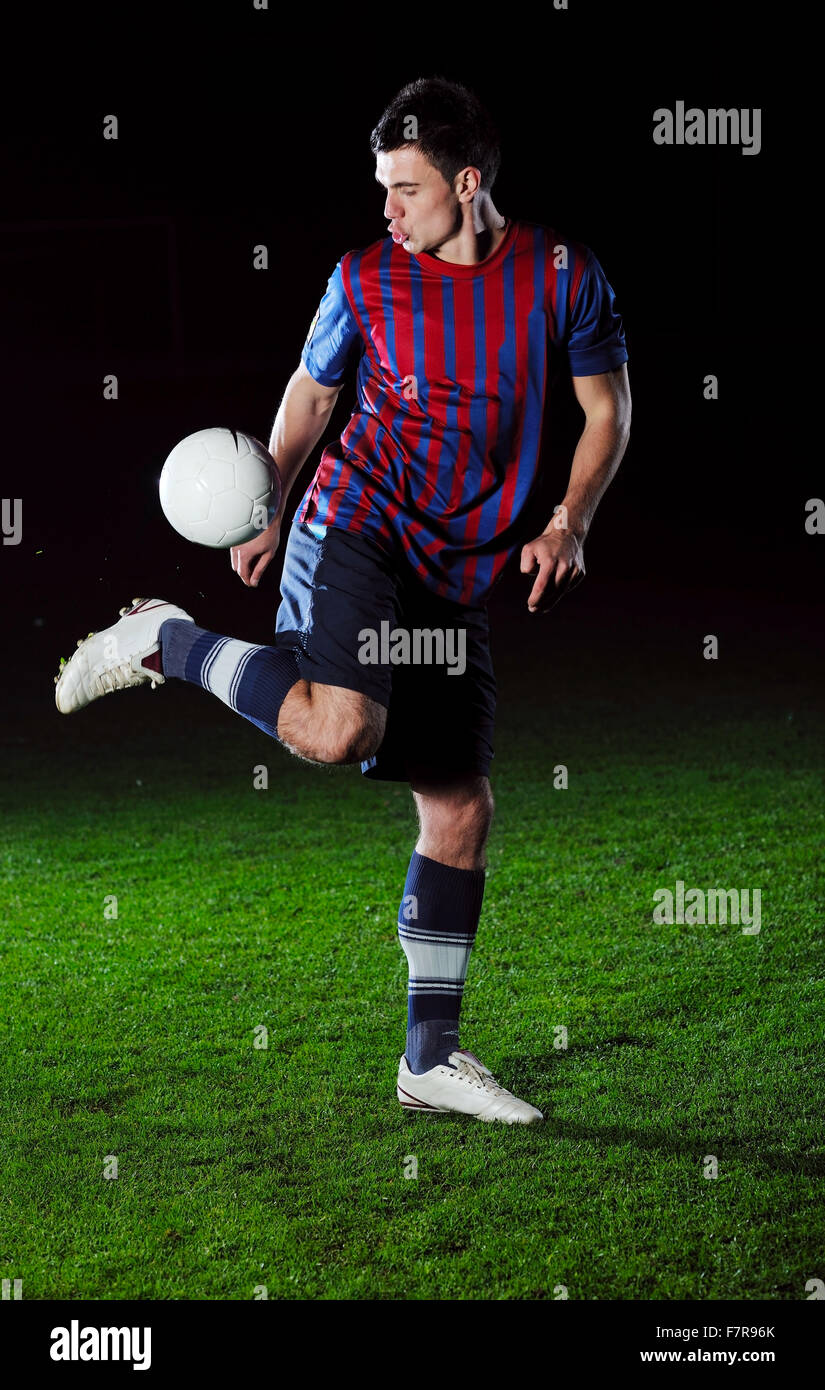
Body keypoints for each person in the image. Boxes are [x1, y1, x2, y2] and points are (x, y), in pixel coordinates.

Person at [55, 76, 631, 1125]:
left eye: (405, 189)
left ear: (467, 183)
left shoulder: (561, 274)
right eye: (381, 188)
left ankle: (429, 1060)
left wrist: (571, 519)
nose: (387, 210)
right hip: (356, 523)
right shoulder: (364, 278)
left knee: (459, 806)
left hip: (457, 567)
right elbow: (315, 391)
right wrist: (269, 497)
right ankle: (164, 641)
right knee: (337, 725)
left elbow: (607, 407)